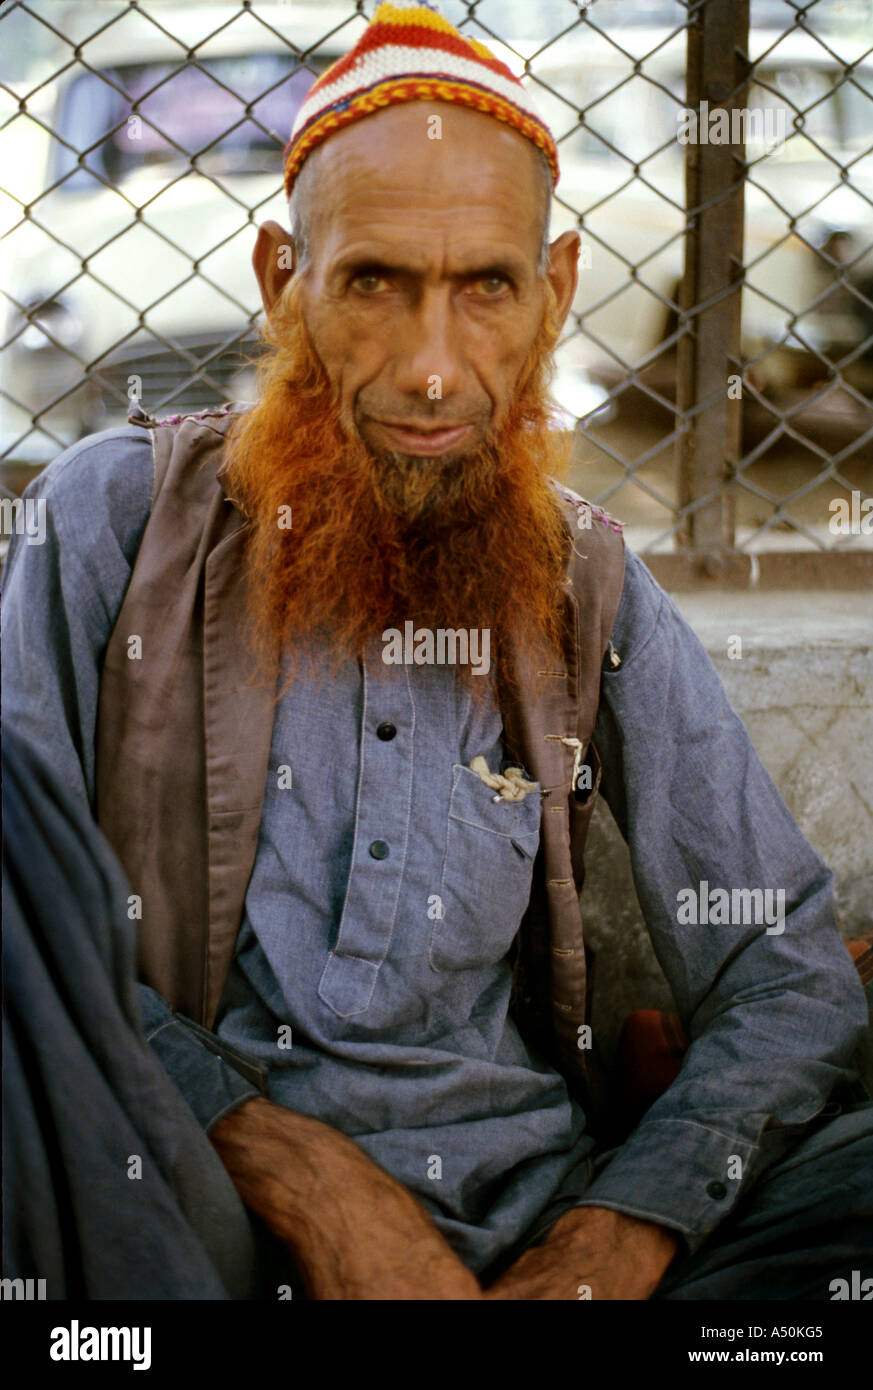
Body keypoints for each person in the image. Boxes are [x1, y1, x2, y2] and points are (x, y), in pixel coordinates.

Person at [2, 2, 871, 1301]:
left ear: (555, 290)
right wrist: (301, 1172)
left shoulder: (584, 578)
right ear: (279, 280)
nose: (429, 370)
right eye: (373, 283)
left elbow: (786, 971)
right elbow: (34, 941)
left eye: (485, 289)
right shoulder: (110, 517)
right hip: (182, 1203)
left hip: (522, 1214)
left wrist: (612, 1233)